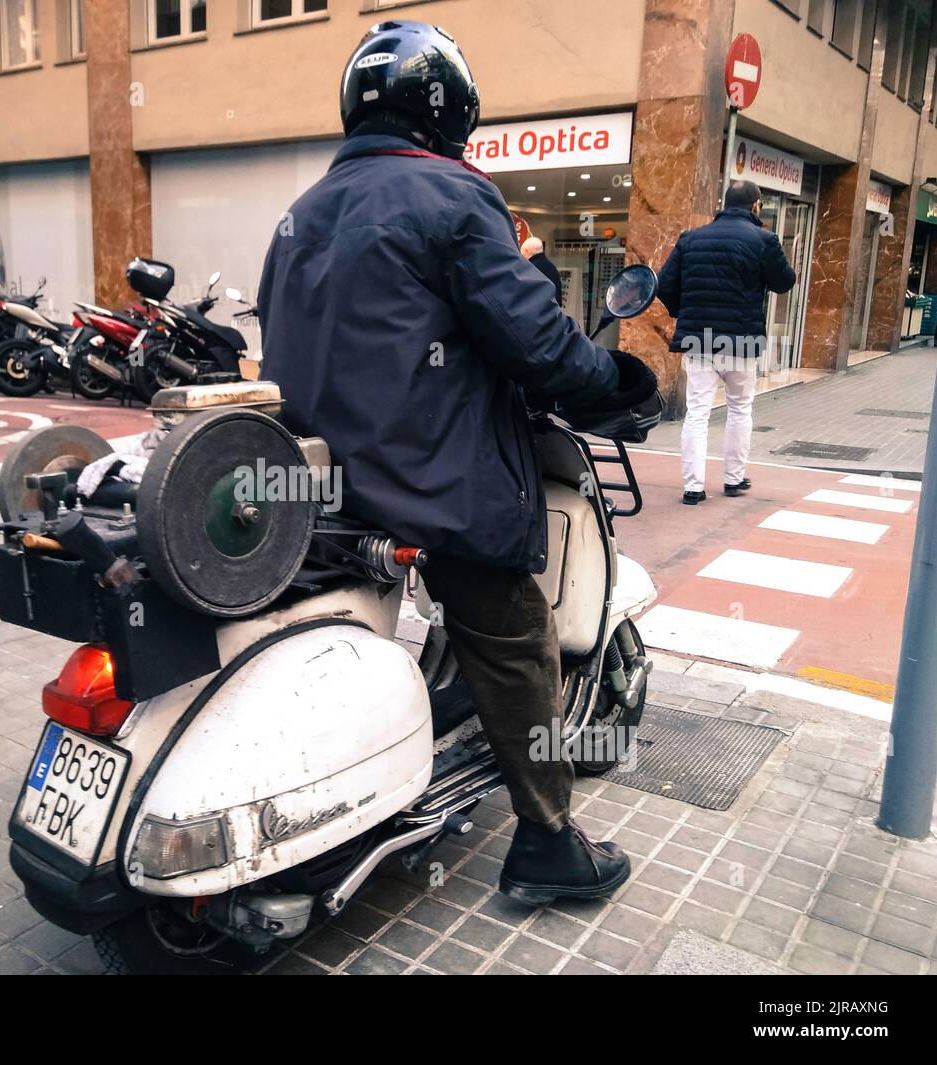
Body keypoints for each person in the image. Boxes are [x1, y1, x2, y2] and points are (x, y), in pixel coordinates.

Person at [257, 20, 657, 905]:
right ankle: (549, 842)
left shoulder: (303, 211)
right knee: (515, 628)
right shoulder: (452, 196)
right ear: (446, 113)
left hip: (320, 485)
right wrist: (621, 383)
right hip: (429, 482)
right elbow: (540, 344)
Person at [658, 179, 796, 504]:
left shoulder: (691, 239)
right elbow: (784, 282)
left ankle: (693, 487)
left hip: (697, 339)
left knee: (697, 412)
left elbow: (664, 285)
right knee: (739, 408)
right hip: (742, 341)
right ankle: (733, 479)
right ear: (756, 206)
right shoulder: (764, 239)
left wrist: (685, 311)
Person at [521, 236, 564, 306]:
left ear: (527, 251)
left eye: (522, 253)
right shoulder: (552, 268)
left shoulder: (529, 269)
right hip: (552, 314)